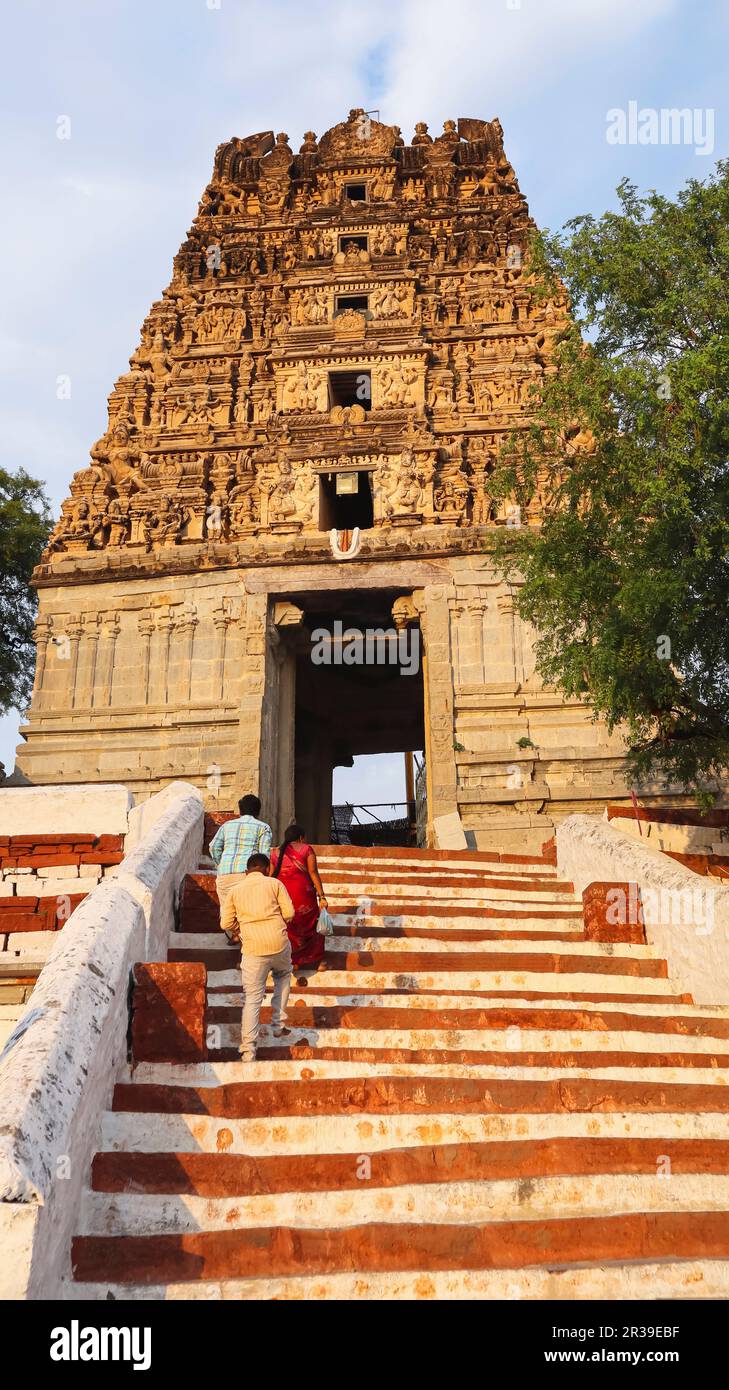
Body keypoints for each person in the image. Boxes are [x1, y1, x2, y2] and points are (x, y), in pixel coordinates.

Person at [220, 852, 295, 1061]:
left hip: (252, 947)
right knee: (283, 976)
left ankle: (248, 1050)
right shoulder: (275, 884)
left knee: (252, 999)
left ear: (247, 871)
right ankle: (278, 1024)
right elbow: (289, 913)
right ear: (267, 869)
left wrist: (241, 929)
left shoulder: (235, 891)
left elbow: (225, 924)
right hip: (278, 942)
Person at [210, 794, 272, 934]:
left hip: (225, 874)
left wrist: (221, 864)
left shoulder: (227, 825)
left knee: (228, 911)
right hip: (248, 874)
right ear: (258, 811)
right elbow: (264, 856)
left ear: (240, 810)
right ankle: (244, 936)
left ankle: (235, 933)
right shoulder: (263, 827)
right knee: (248, 910)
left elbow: (213, 847)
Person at [271, 823, 329, 971]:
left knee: (288, 928)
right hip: (305, 898)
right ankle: (319, 962)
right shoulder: (306, 849)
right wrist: (322, 896)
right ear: (301, 838)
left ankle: (292, 961)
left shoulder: (274, 853)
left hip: (283, 898)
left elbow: (271, 877)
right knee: (313, 925)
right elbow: (313, 872)